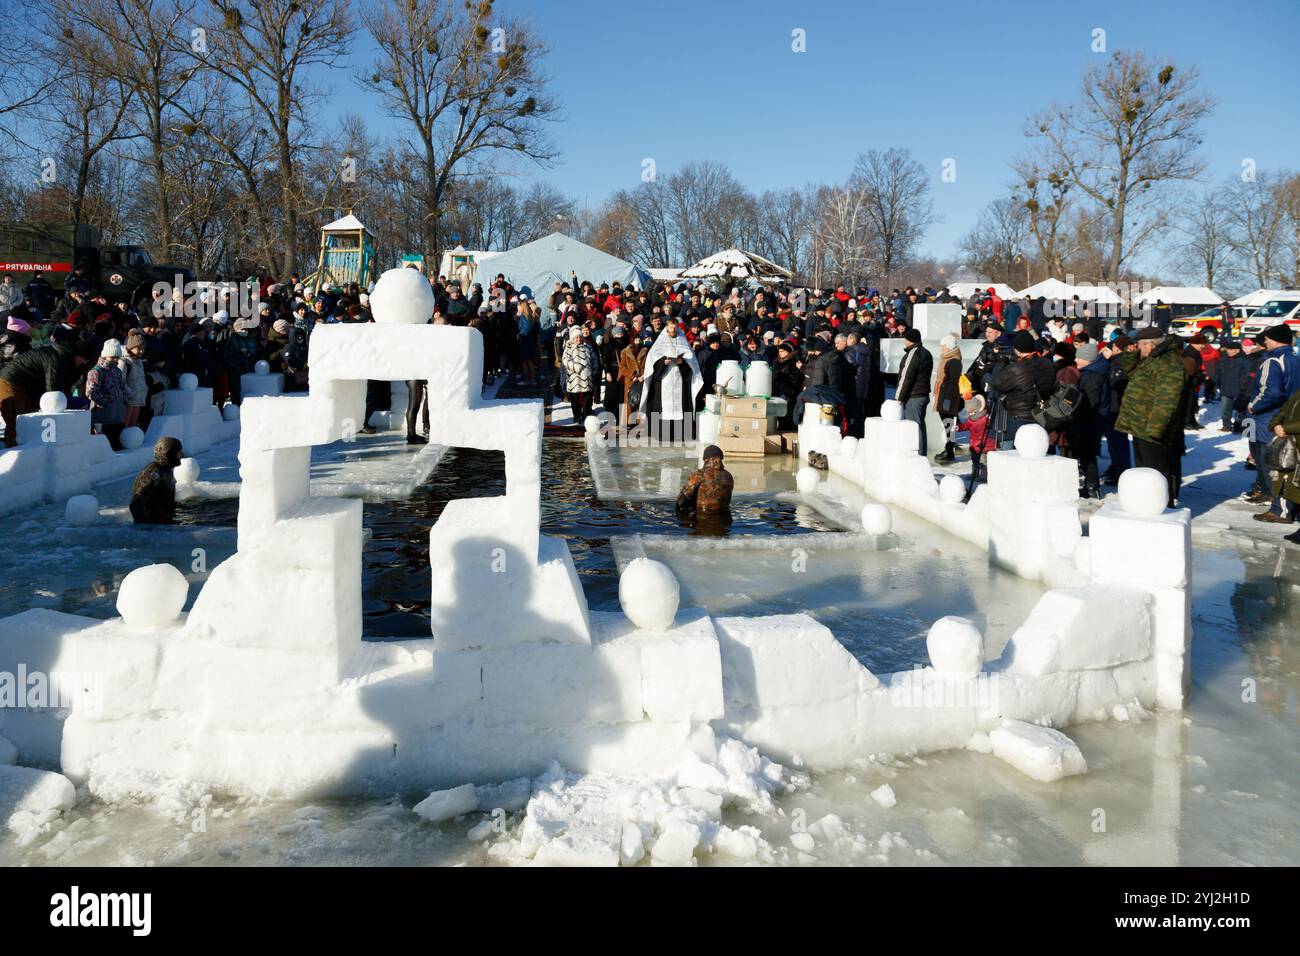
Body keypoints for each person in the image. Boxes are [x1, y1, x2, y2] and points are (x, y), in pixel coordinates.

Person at [1116, 327, 1187, 507]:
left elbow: (1167, 399)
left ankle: (1163, 506)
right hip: (1141, 424)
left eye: (1140, 345)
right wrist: (1131, 357)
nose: (1138, 348)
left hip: (1152, 427)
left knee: (1157, 472)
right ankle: (1147, 503)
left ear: (1150, 344)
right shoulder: (1152, 359)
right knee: (1145, 471)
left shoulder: (1168, 363)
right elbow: (1135, 377)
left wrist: (1155, 428)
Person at [1245, 325, 1300, 522]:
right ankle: (1290, 508)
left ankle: (1280, 509)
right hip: (1293, 417)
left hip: (1271, 418)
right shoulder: (1295, 358)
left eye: (1267, 339)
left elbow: (1272, 392)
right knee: (1291, 463)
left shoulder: (1273, 360)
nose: (1264, 342)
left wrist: (1253, 406)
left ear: (1276, 340)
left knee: (1275, 464)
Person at [0, 339, 96, 447]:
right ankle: (16, 452)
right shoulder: (55, 359)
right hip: (10, 384)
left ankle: (20, 447)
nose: (83, 363)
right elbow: (53, 393)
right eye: (84, 359)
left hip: (22, 386)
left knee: (24, 420)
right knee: (20, 422)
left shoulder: (60, 356)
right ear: (77, 355)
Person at [642, 318, 702, 444]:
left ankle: (680, 434)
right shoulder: (660, 342)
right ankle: (663, 434)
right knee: (664, 407)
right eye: (670, 327)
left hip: (680, 379)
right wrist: (663, 362)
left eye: (675, 327)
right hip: (664, 380)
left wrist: (682, 362)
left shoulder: (683, 341)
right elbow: (652, 360)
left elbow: (692, 363)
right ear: (667, 328)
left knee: (680, 406)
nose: (673, 329)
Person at [989, 330, 1055, 446]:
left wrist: (1000, 365)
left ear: (1017, 350)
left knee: (1014, 453)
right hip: (1041, 413)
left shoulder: (1017, 368)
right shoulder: (1047, 363)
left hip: (1019, 416)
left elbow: (997, 384)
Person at [675, 444, 734, 532]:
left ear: (707, 460)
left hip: (702, 518)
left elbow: (681, 502)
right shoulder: (728, 476)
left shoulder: (699, 475)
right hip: (723, 520)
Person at [955, 378, 995, 499]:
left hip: (985, 445)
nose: (970, 414)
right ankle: (975, 473)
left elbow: (988, 430)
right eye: (969, 413)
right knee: (975, 460)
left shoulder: (984, 419)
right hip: (974, 444)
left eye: (972, 412)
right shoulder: (972, 418)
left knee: (983, 461)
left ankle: (983, 476)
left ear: (978, 409)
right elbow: (967, 425)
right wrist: (959, 427)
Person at [130, 437, 184, 524]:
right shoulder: (154, 472)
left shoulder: (166, 470)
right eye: (178, 452)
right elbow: (135, 504)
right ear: (169, 454)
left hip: (166, 519)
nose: (182, 455)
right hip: (157, 524)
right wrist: (146, 530)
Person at [895, 328, 932, 455]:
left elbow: (906, 377)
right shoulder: (926, 352)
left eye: (905, 339)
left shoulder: (913, 354)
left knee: (914, 427)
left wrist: (898, 397)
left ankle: (918, 456)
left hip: (914, 396)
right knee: (920, 426)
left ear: (910, 341)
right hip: (922, 394)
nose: (904, 341)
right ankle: (922, 453)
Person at [86, 339, 128, 449]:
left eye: (117, 357)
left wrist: (123, 401)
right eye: (112, 357)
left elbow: (121, 388)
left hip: (117, 416)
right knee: (104, 447)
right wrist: (106, 401)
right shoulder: (96, 371)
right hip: (102, 417)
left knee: (118, 446)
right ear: (105, 356)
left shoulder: (117, 371)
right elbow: (91, 392)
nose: (115, 360)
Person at [932, 333, 963, 463]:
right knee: (947, 425)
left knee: (948, 425)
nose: (941, 348)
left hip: (948, 397)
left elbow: (953, 382)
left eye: (943, 346)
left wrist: (947, 400)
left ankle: (949, 450)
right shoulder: (947, 358)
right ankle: (949, 450)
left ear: (949, 347)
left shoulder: (954, 361)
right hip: (943, 394)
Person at [562, 324, 600, 423]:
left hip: (587, 377)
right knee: (575, 400)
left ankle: (586, 416)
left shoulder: (587, 346)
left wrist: (595, 367)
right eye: (576, 337)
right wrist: (576, 367)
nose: (578, 339)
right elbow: (565, 360)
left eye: (580, 337)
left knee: (587, 399)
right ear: (573, 338)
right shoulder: (569, 347)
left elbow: (594, 358)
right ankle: (577, 416)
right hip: (574, 378)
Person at [1212, 339, 1248, 432]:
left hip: (1239, 390)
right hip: (1225, 389)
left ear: (1237, 350)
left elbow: (1246, 376)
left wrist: (1243, 388)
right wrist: (1216, 383)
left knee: (1240, 410)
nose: (1228, 351)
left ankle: (1239, 427)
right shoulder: (1223, 359)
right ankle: (1226, 426)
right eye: (1228, 349)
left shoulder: (1244, 360)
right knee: (1225, 410)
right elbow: (1217, 372)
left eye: (1230, 349)